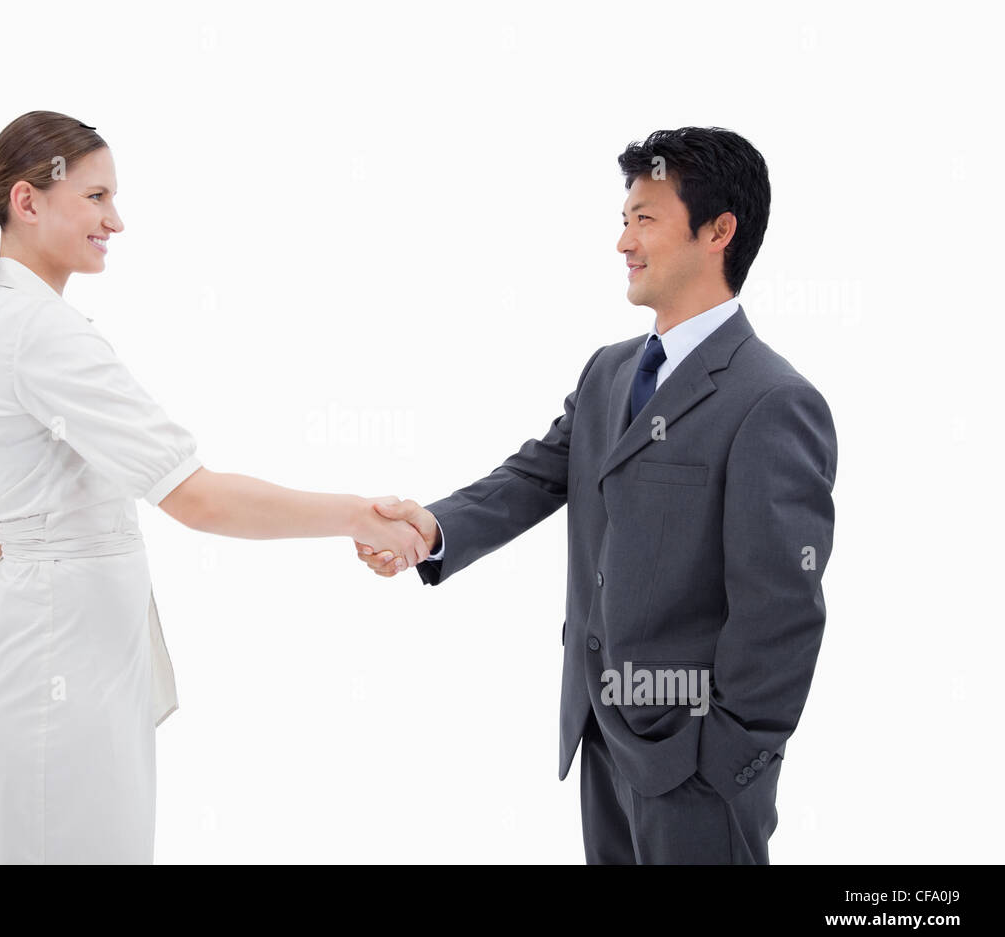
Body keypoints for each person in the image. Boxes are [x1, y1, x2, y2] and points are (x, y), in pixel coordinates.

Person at [0, 110, 427, 864]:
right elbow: (196, 497)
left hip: (53, 669)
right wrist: (362, 514)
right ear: (27, 203)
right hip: (60, 685)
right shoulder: (39, 332)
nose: (115, 220)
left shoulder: (4, 319)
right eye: (96, 197)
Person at [357, 127, 838, 864]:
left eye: (645, 219)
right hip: (600, 733)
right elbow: (536, 475)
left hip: (694, 763)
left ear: (719, 231)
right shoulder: (609, 372)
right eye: (624, 220)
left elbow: (782, 611)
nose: (623, 243)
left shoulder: (772, 401)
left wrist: (728, 763)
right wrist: (432, 526)